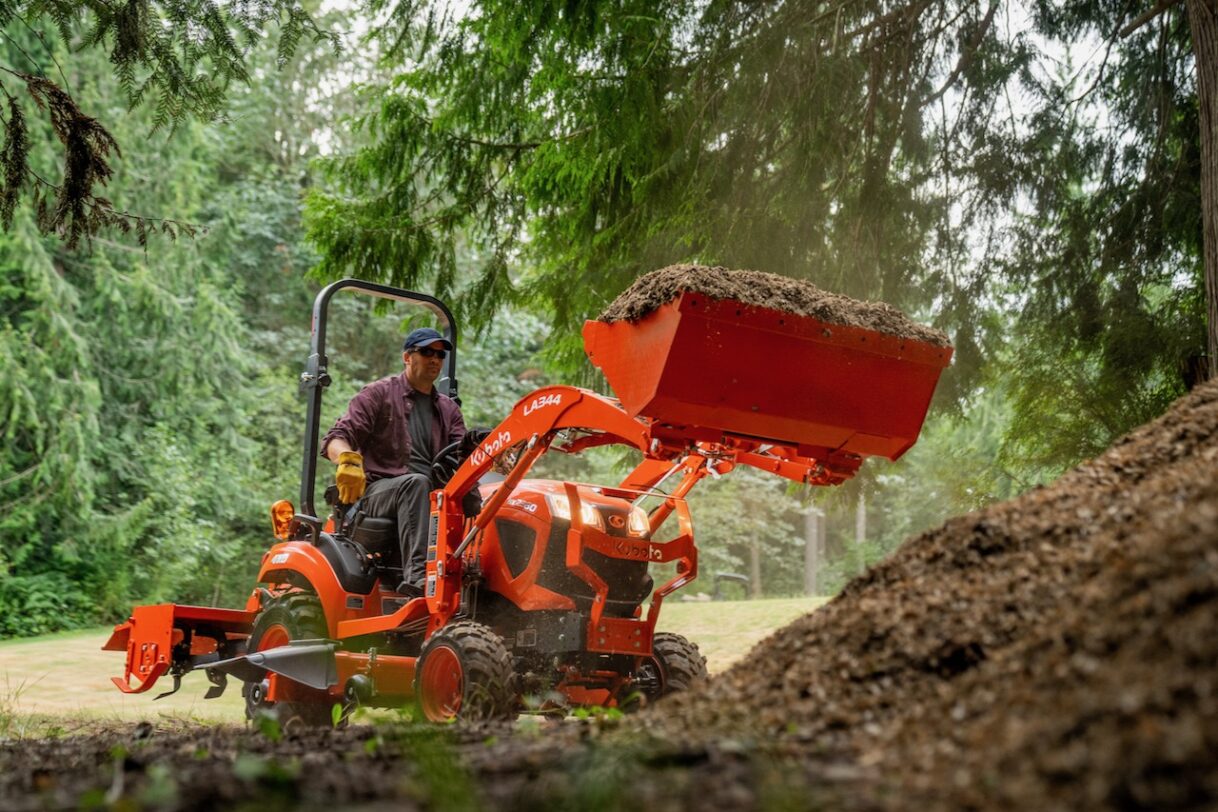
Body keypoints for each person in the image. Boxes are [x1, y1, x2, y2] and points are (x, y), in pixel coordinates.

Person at [321, 327, 468, 598]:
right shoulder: (379, 394)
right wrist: (347, 460)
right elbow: (337, 437)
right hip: (378, 492)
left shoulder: (449, 410)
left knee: (474, 494)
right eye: (426, 352)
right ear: (407, 357)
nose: (434, 359)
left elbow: (464, 455)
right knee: (416, 484)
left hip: (431, 495)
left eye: (440, 354)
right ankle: (420, 580)